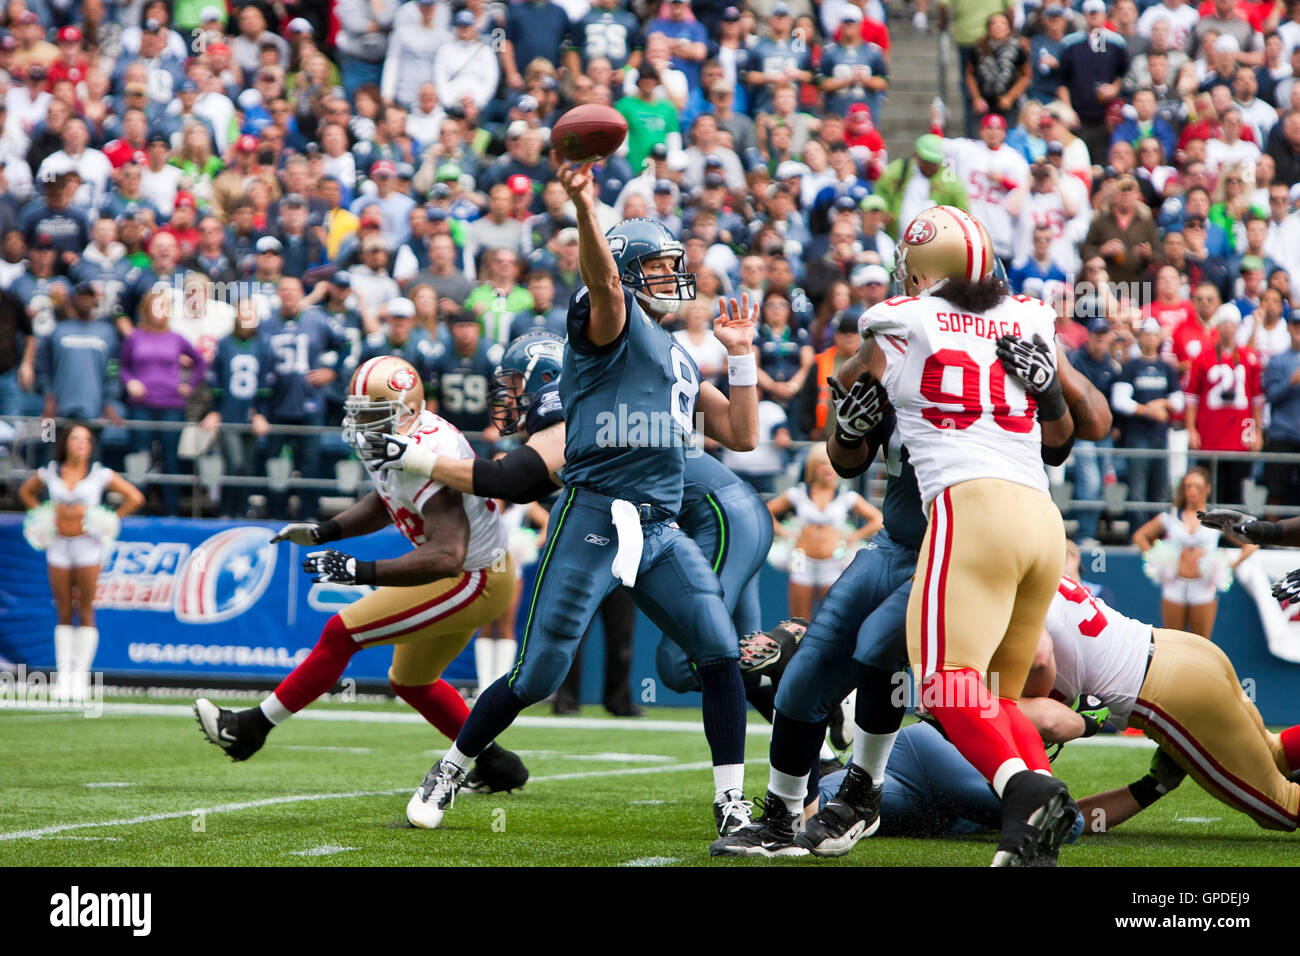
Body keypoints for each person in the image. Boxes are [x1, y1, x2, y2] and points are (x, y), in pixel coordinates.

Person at [395, 159, 761, 843]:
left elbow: (740, 434)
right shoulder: (611, 323)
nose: (671, 278)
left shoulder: (680, 355)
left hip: (657, 525)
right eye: (656, 267)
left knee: (717, 652)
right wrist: (587, 209)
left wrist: (740, 359)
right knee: (538, 674)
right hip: (593, 513)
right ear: (625, 273)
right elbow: (602, 281)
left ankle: (733, 806)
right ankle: (450, 766)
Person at [831, 204, 1090, 866]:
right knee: (995, 698)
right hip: (1040, 517)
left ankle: (1024, 792)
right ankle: (1036, 827)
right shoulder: (1031, 315)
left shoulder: (898, 317)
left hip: (970, 509)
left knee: (945, 682)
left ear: (923, 270)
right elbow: (1074, 421)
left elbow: (845, 380)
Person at [193, 355, 530, 799]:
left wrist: (360, 572)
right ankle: (496, 763)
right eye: (359, 412)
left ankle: (251, 728)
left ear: (406, 410)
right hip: (472, 570)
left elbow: (448, 555)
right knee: (411, 681)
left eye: (373, 413)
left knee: (341, 632)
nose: (363, 422)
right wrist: (327, 530)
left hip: (476, 576)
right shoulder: (397, 439)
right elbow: (386, 497)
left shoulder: (426, 452)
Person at [1026, 567, 1300, 833]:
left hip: (1165, 690)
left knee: (1282, 809)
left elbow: (1040, 660)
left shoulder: (1005, 597)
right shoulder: (1032, 568)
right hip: (1179, 646)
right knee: (1271, 752)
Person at [19, 423, 144, 701]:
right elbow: (26, 492)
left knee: (85, 607)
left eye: (86, 440)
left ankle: (81, 678)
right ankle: (63, 677)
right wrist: (42, 516)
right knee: (63, 608)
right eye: (75, 439)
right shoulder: (51, 472)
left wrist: (108, 519)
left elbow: (135, 497)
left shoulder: (99, 475)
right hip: (59, 545)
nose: (81, 444)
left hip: (88, 546)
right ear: (65, 443)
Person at [1132, 466, 1256, 639]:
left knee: (1202, 642)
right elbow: (1140, 536)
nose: (1192, 491)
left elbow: (1250, 544)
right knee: (1173, 641)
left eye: (1197, 486)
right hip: (1173, 584)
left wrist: (1230, 566)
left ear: (1207, 489)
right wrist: (1157, 559)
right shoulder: (1170, 516)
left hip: (1203, 587)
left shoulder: (1217, 519)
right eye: (1188, 486)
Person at [767, 444, 882, 619]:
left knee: (828, 619)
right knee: (797, 621)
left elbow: (878, 519)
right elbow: (766, 511)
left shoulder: (847, 496)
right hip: (800, 559)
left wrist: (855, 536)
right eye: (822, 463)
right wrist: (784, 532)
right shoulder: (797, 493)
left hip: (834, 561)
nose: (828, 468)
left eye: (831, 463)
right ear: (813, 466)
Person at [120, 288, 208, 516]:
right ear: (146, 309)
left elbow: (201, 362)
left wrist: (189, 385)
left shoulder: (176, 338)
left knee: (170, 459)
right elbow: (121, 367)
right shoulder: (134, 337)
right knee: (140, 457)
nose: (160, 311)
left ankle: (171, 511)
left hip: (172, 405)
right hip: (141, 406)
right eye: (156, 305)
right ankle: (137, 507)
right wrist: (130, 382)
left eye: (164, 306)